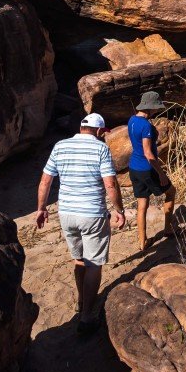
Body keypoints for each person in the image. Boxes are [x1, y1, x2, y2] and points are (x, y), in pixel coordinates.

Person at [36, 112, 125, 335]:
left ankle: (80, 300)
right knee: (94, 263)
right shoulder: (100, 149)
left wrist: (41, 208)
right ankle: (86, 316)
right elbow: (111, 184)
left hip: (66, 213)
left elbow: (46, 180)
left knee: (79, 260)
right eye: (102, 133)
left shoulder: (60, 146)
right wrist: (119, 210)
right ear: (98, 131)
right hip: (92, 214)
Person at [127, 91, 176, 252]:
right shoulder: (146, 126)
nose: (156, 110)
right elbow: (148, 153)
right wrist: (161, 173)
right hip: (147, 169)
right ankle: (168, 228)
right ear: (150, 107)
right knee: (170, 192)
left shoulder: (132, 120)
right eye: (155, 108)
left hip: (134, 167)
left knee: (142, 204)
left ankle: (142, 241)